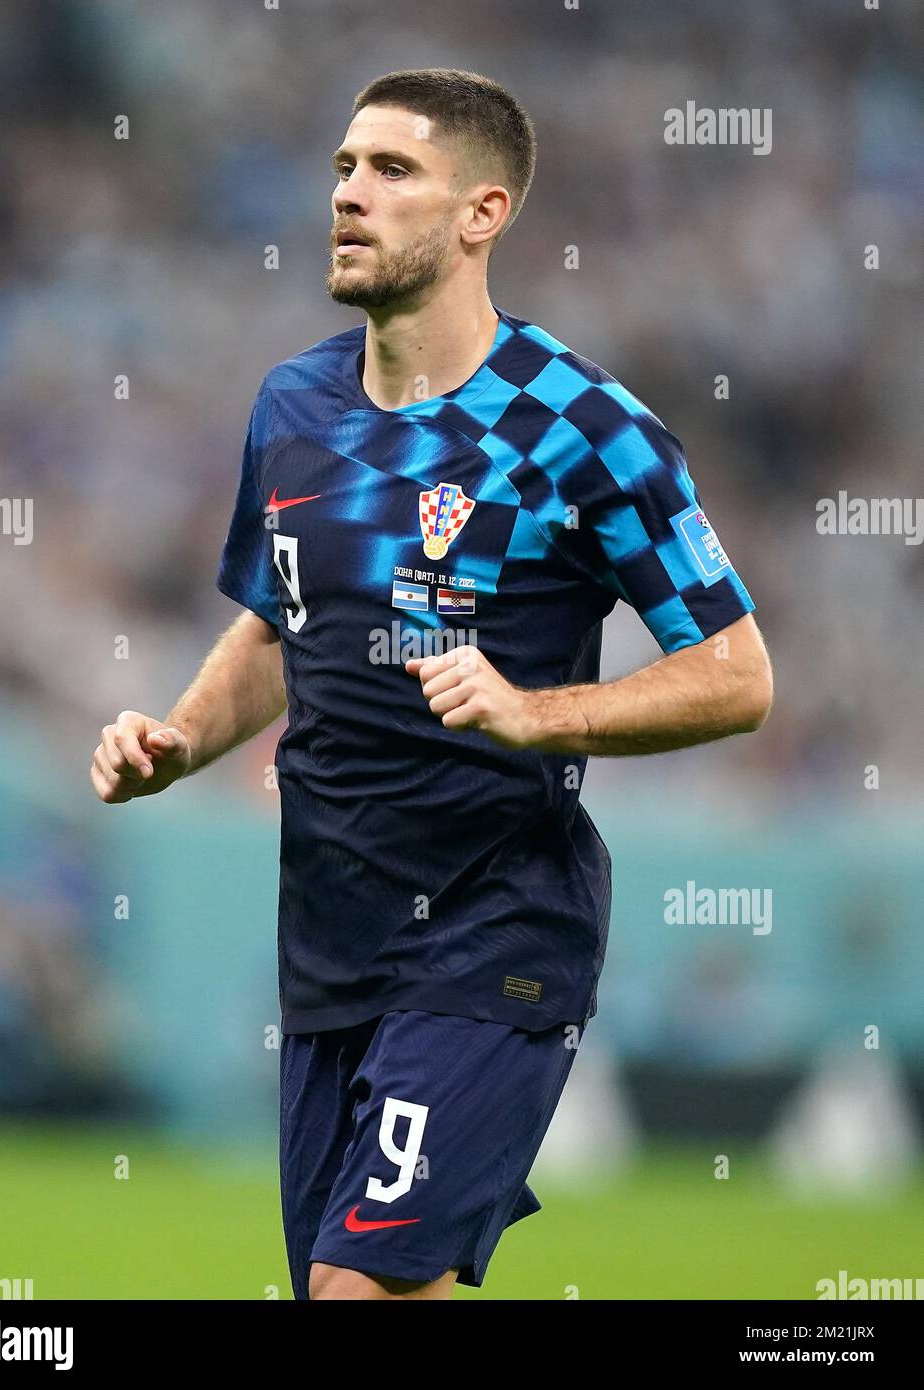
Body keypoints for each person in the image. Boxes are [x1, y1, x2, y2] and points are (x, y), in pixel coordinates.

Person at [91, 68, 773, 1301]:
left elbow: (737, 674)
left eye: (393, 170)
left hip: (496, 931)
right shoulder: (291, 403)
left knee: (363, 1291)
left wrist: (537, 711)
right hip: (328, 944)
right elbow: (272, 630)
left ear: (483, 212)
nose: (349, 195)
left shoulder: (580, 426)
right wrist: (178, 738)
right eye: (345, 168)